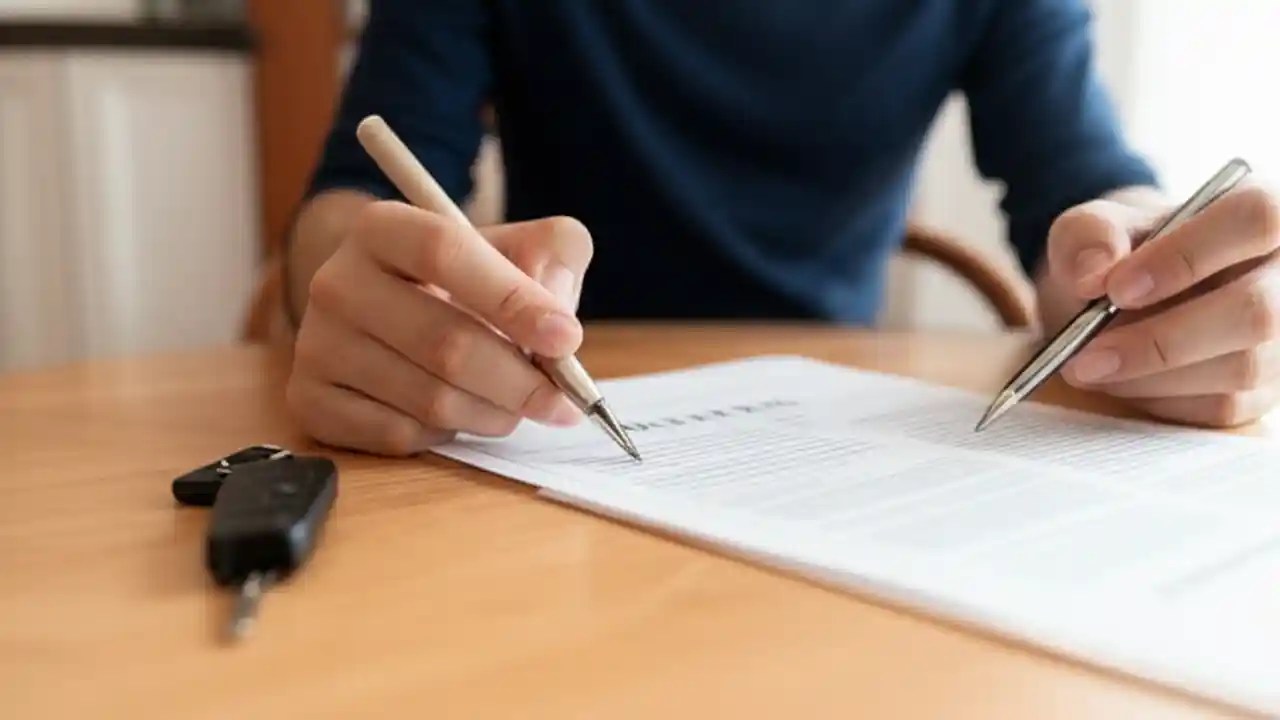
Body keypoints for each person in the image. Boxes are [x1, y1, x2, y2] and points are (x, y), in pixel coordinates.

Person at [282, 0, 1280, 457]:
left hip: (836, 435)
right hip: (536, 397)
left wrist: (1151, 274)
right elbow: (354, 197)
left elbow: (1082, 184)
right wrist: (366, 282)